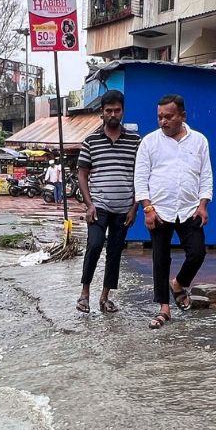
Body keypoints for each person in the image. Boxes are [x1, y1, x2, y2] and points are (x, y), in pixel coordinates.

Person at [135, 94, 212, 330]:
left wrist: (203, 205)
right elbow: (140, 178)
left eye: (168, 117)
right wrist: (147, 208)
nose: (162, 121)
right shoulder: (149, 142)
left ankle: (178, 284)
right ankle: (164, 308)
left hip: (190, 209)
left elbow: (205, 176)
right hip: (159, 209)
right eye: (159, 116)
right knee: (161, 258)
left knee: (197, 253)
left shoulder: (199, 141)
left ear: (182, 116)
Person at [76, 90, 141, 314]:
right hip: (99, 206)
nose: (113, 114)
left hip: (124, 209)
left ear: (122, 111)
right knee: (94, 245)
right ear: (102, 113)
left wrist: (135, 208)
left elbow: (141, 176)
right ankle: (84, 294)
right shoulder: (91, 141)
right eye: (108, 111)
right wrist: (89, 204)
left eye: (117, 110)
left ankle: (105, 297)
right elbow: (82, 174)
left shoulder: (135, 141)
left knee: (114, 252)